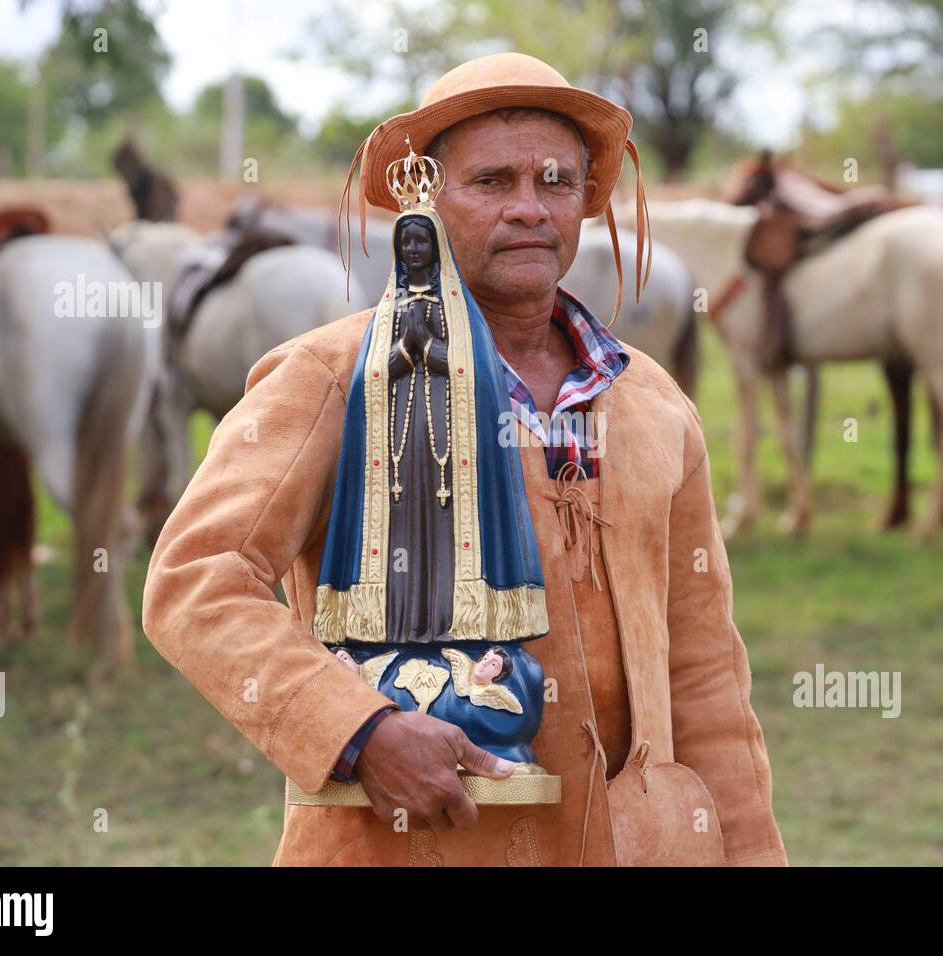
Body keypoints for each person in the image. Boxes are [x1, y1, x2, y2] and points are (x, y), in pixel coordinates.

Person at [142, 51, 787, 866]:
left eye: (555, 181)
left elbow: (706, 683)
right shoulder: (332, 376)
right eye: (491, 183)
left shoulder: (652, 403)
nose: (528, 209)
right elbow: (195, 578)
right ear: (428, 201)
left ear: (585, 199)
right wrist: (358, 730)